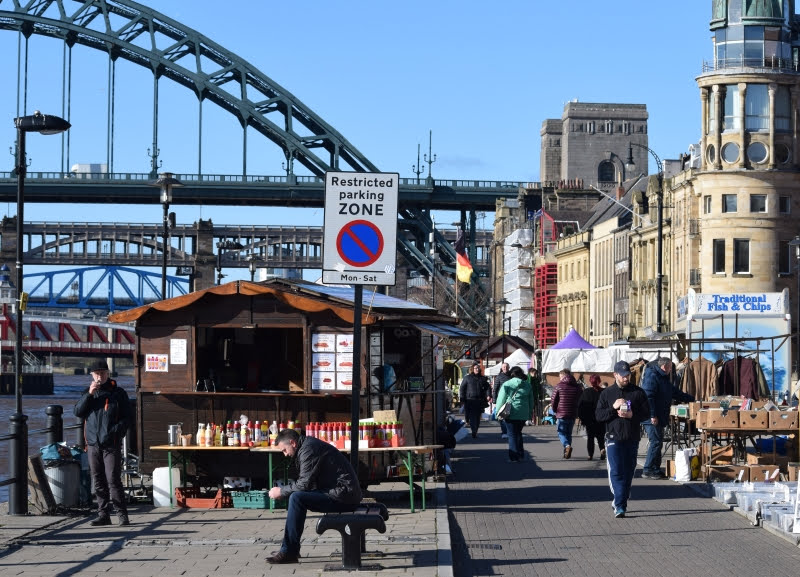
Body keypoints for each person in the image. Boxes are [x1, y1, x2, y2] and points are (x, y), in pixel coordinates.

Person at [266, 428, 362, 564]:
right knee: (297, 498)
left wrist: (281, 491)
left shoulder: (308, 449)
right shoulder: (306, 446)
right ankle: (290, 549)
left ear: (292, 443)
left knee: (296, 498)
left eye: (284, 450)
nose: (285, 454)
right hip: (341, 492)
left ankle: (289, 551)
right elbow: (307, 482)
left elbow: (304, 484)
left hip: (344, 496)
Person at [73, 360, 132, 526]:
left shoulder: (118, 393)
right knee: (97, 480)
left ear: (108, 374)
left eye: (103, 373)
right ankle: (103, 515)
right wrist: (89, 394)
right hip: (92, 444)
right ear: (92, 375)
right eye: (97, 373)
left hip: (111, 444)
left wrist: (115, 432)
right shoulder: (88, 393)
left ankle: (122, 515)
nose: (100, 376)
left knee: (113, 479)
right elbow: (78, 412)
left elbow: (127, 418)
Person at [595, 360, 650, 518]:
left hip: (632, 437)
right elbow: (599, 416)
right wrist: (613, 408)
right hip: (613, 437)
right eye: (623, 375)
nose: (626, 378)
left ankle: (620, 500)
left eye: (628, 375)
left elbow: (646, 413)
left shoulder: (638, 392)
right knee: (617, 471)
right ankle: (620, 505)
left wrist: (632, 415)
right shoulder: (606, 393)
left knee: (628, 471)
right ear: (615, 375)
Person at [640, 357, 695, 479]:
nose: (671, 369)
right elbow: (648, 397)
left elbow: (674, 392)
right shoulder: (652, 376)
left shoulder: (663, 378)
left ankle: (655, 468)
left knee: (658, 442)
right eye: (670, 367)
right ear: (664, 367)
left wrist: (693, 399)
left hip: (659, 416)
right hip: (651, 417)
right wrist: (653, 415)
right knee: (655, 442)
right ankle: (648, 469)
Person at [495, 366, 533, 462]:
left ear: (511, 374)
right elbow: (531, 401)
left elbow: (501, 399)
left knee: (511, 434)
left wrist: (497, 412)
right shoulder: (527, 385)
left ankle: (513, 456)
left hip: (510, 412)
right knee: (518, 433)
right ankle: (520, 454)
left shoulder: (507, 384)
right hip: (523, 412)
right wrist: (529, 414)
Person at [551, 367, 582, 459]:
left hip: (561, 414)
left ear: (564, 376)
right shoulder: (577, 387)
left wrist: (555, 410)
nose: (560, 378)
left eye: (560, 376)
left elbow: (553, 400)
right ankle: (566, 451)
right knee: (568, 433)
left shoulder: (559, 386)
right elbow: (581, 400)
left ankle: (567, 446)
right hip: (572, 413)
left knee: (561, 432)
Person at [577, 374, 606, 460]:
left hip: (589, 419)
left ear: (590, 381)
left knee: (590, 437)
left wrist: (582, 418)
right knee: (601, 437)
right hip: (601, 419)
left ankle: (590, 455)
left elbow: (580, 406)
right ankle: (602, 449)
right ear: (599, 381)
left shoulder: (586, 392)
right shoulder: (604, 392)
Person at [459, 361, 491, 438]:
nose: (477, 369)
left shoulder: (482, 378)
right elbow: (462, 388)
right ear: (472, 369)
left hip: (480, 400)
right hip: (470, 400)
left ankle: (475, 430)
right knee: (473, 416)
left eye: (478, 368)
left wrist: (488, 395)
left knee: (477, 417)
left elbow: (488, 388)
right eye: (475, 368)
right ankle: (474, 430)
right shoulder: (467, 378)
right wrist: (462, 399)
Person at [492, 362, 511, 438]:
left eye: (506, 367)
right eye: (503, 367)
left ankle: (508, 431)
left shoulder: (511, 376)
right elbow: (495, 389)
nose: (505, 368)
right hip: (501, 399)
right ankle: (504, 432)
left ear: (509, 367)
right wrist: (494, 400)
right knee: (502, 416)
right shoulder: (499, 377)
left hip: (510, 399)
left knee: (509, 416)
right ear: (501, 368)